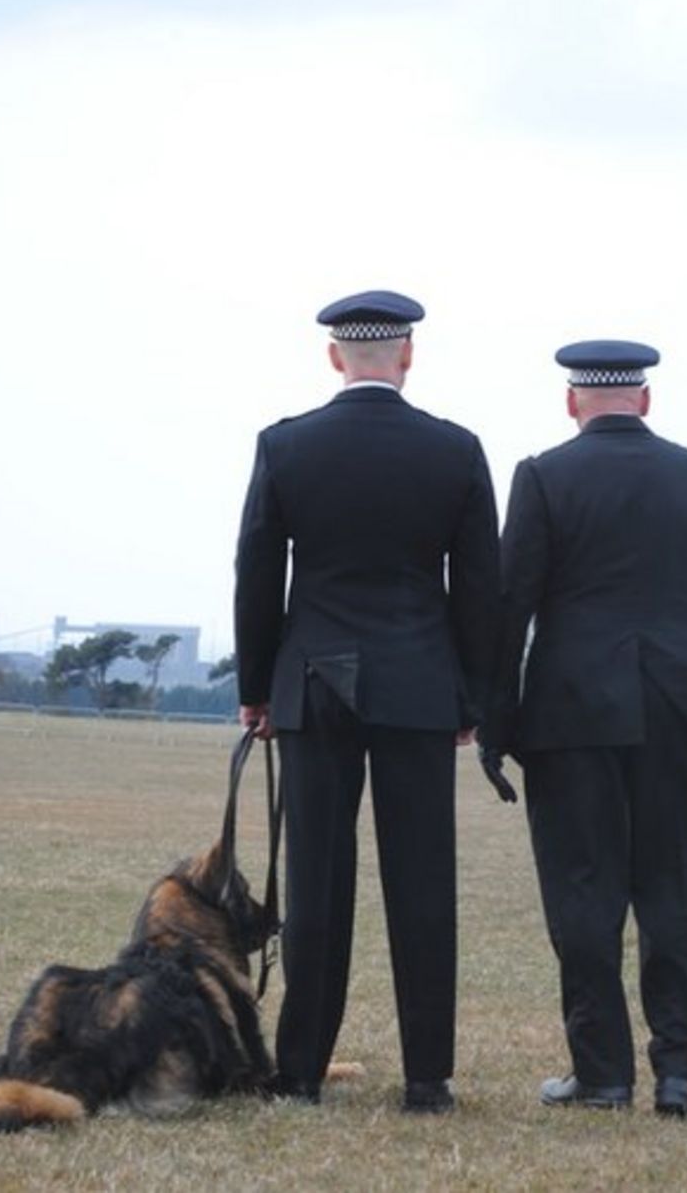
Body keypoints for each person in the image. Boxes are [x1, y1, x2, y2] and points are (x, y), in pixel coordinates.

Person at [480, 340, 687, 1119]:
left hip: (569, 708)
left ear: (573, 403)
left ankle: (603, 1074)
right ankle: (682, 1074)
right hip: (671, 705)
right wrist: (676, 638)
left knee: (583, 890)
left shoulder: (544, 475)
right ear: (644, 401)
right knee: (674, 888)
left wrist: (493, 720)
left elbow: (510, 606)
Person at [234, 290, 500, 1114]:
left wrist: (256, 690)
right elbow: (479, 589)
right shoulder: (455, 451)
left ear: (335, 357)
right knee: (423, 884)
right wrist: (472, 695)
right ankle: (427, 1078)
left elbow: (256, 576)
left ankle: (301, 1072)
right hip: (419, 685)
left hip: (314, 684)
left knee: (317, 884)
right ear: (408, 355)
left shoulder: (286, 445)